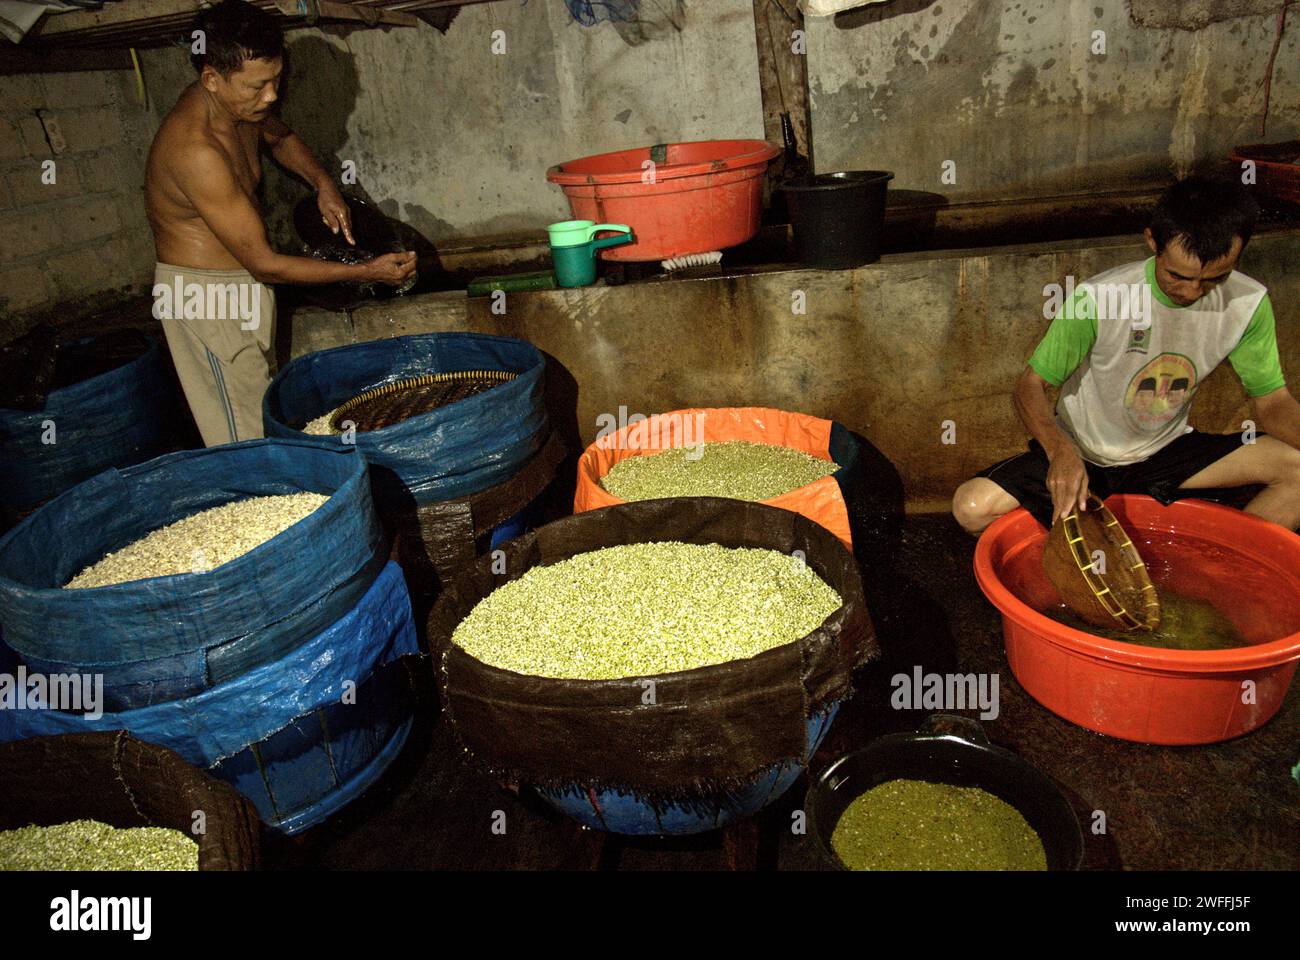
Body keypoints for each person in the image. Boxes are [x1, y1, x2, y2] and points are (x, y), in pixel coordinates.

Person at [953, 175, 1300, 533]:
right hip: (1085, 452)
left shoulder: (1248, 302)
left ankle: (1224, 567)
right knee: (972, 507)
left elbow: (1272, 403)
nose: (1193, 291)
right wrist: (1060, 452)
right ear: (1152, 241)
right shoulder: (1099, 298)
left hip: (1167, 451)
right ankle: (1071, 552)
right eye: (1178, 276)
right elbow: (1030, 385)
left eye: (1215, 278)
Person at [144, 0, 416, 446]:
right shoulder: (195, 151)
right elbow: (267, 264)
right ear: (211, 78)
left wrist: (322, 183)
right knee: (244, 434)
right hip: (207, 299)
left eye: (276, 80)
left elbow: (282, 137)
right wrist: (366, 272)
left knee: (264, 408)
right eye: (258, 86)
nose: (270, 96)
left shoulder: (240, 108)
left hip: (245, 282)